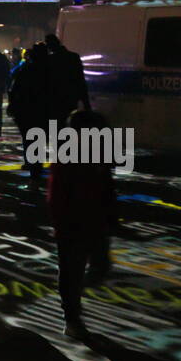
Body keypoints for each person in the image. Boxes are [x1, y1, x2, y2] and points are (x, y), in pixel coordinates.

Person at [48, 108, 116, 340]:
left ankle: (74, 300)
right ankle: (72, 318)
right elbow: (57, 196)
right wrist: (62, 224)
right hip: (72, 223)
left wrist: (110, 215)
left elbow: (107, 186)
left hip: (95, 220)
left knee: (100, 265)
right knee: (71, 271)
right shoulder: (66, 158)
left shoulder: (100, 153)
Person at [8, 43, 53, 188]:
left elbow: (14, 89)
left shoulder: (25, 70)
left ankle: (34, 171)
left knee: (30, 140)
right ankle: (39, 168)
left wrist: (13, 106)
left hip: (27, 110)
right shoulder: (51, 70)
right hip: (44, 109)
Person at [45, 33, 90, 124]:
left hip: (55, 98)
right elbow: (80, 79)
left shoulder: (50, 60)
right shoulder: (73, 57)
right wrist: (85, 101)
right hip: (71, 96)